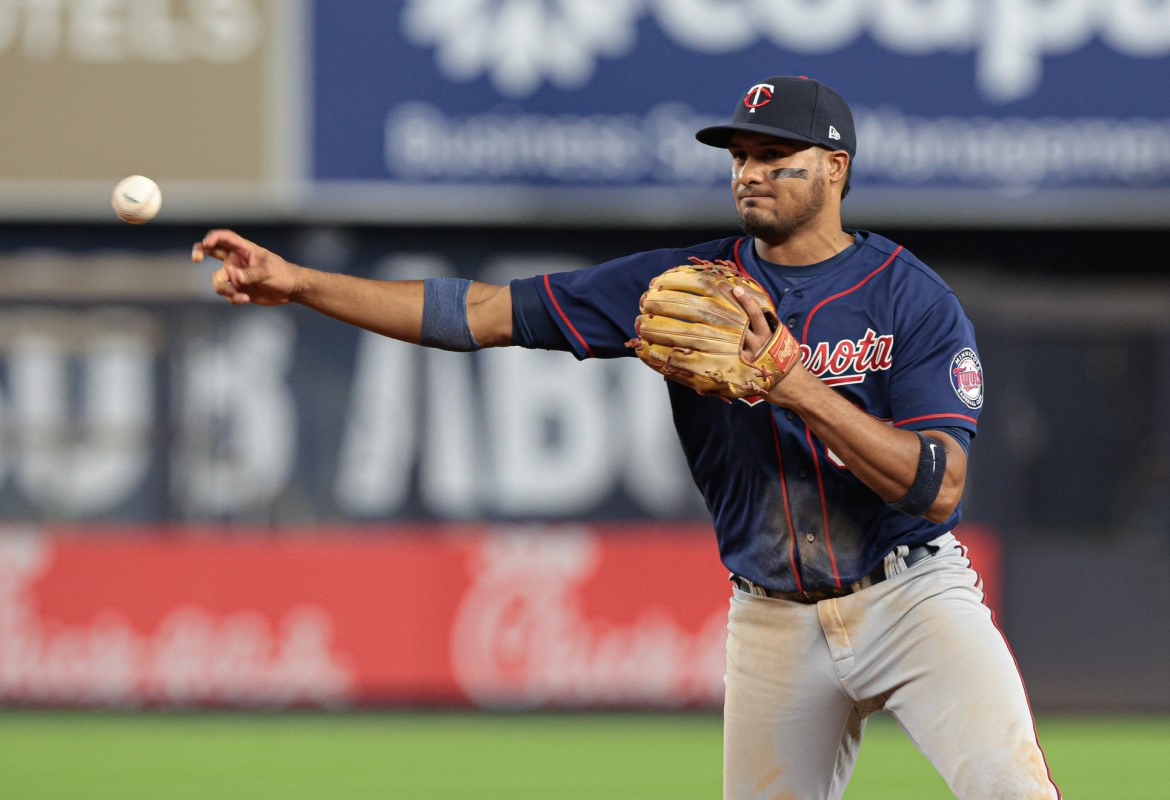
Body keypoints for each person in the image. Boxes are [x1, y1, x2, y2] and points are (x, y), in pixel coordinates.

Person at [192, 75, 1060, 799]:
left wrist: (795, 384)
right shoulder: (683, 283)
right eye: (739, 157)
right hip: (772, 619)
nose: (748, 173)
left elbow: (939, 484)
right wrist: (299, 282)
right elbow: (484, 313)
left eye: (773, 157)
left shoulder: (910, 299)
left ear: (835, 169)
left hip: (909, 596)